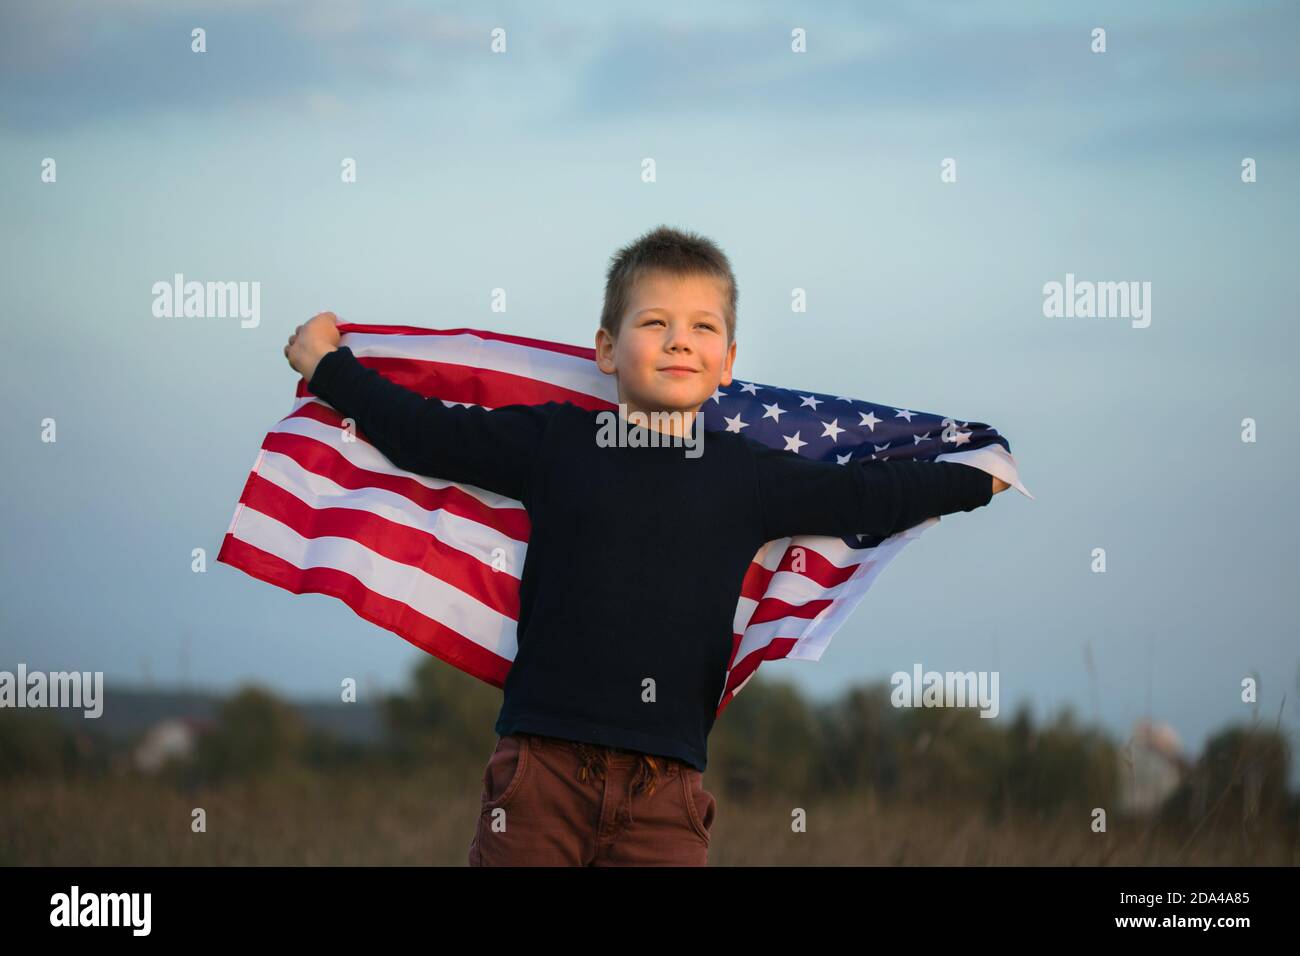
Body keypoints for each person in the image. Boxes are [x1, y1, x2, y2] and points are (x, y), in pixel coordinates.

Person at [284, 225, 1010, 866]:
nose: (678, 340)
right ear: (606, 348)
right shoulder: (556, 442)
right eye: (654, 321)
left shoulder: (748, 477)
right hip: (542, 774)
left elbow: (868, 496)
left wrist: (975, 480)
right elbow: (428, 434)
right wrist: (328, 365)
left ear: (727, 361)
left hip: (667, 795)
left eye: (701, 327)